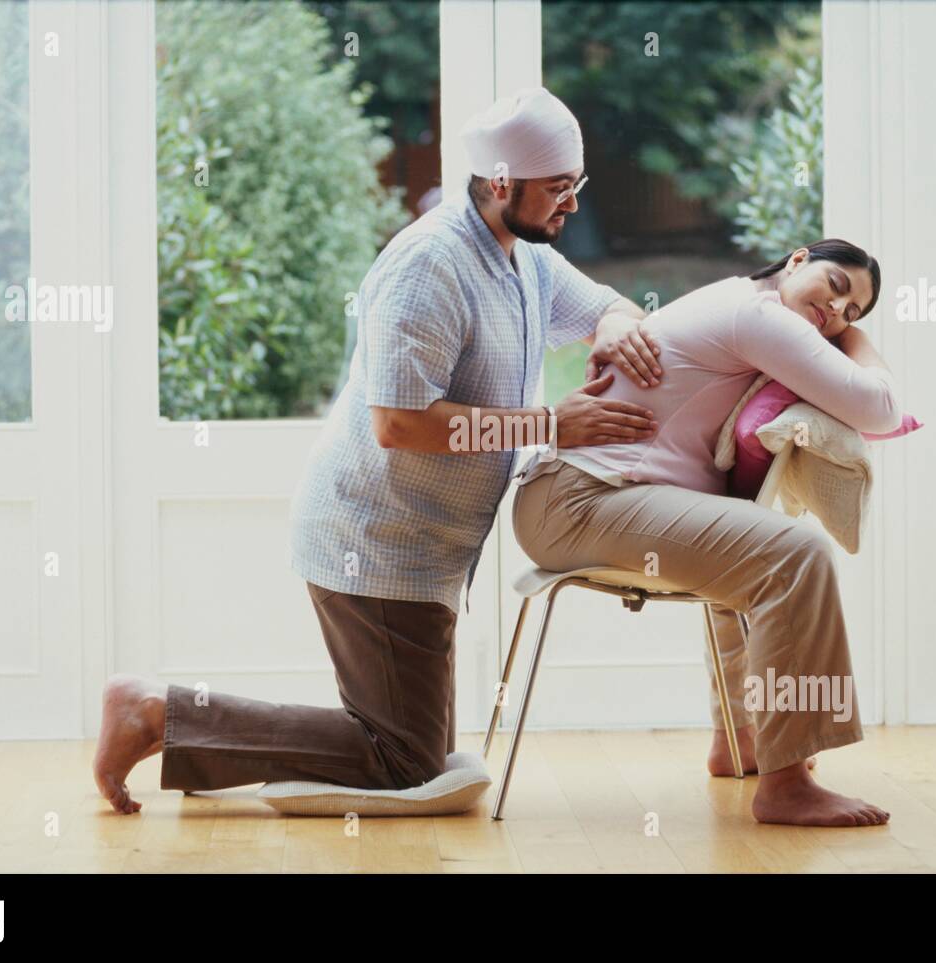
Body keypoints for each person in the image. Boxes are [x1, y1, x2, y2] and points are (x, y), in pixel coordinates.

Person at [92, 87, 665, 814]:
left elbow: (602, 303)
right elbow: (400, 424)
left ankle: (164, 717)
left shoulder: (524, 258)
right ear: (499, 183)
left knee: (407, 746)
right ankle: (154, 712)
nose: (573, 206)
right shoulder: (430, 265)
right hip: (375, 539)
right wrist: (549, 423)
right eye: (558, 189)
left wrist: (615, 323)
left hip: (427, 546)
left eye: (575, 187)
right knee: (405, 760)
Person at [511, 239, 901, 827]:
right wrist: (852, 337)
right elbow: (880, 409)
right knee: (795, 555)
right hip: (581, 498)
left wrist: (835, 320)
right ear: (796, 260)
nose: (837, 312)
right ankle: (787, 783)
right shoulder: (759, 314)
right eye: (836, 287)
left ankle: (741, 739)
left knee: (749, 540)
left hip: (577, 499)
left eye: (852, 313)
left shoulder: (746, 307)